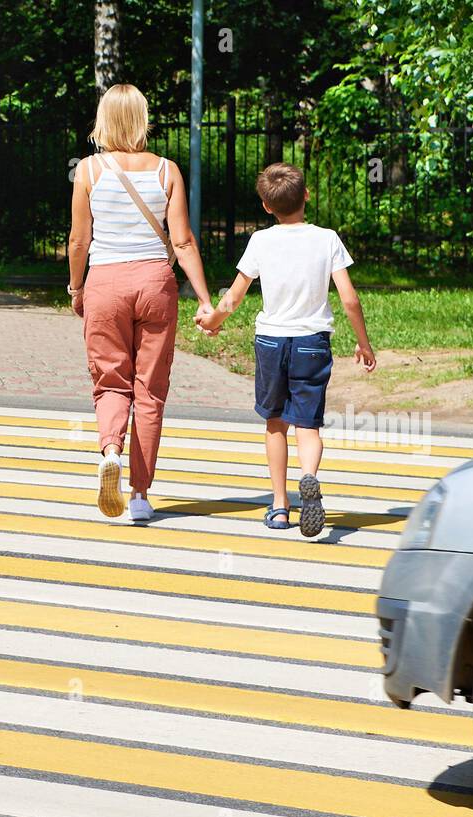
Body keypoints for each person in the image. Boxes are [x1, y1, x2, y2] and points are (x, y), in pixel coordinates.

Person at [195, 162, 376, 537]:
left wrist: (212, 322)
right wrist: (363, 343)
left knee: (275, 423)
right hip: (312, 342)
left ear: (266, 207)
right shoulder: (327, 239)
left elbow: (234, 296)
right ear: (306, 196)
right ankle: (308, 478)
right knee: (308, 426)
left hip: (271, 343)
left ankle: (279, 505)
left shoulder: (261, 241)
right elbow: (350, 299)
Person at [67, 83, 214, 520]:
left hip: (105, 284)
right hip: (155, 283)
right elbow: (183, 242)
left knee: (111, 380)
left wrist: (77, 288)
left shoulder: (89, 172)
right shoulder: (167, 171)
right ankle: (140, 496)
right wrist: (205, 300)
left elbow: (79, 239)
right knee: (150, 390)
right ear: (143, 119)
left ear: (104, 119)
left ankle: (109, 450)